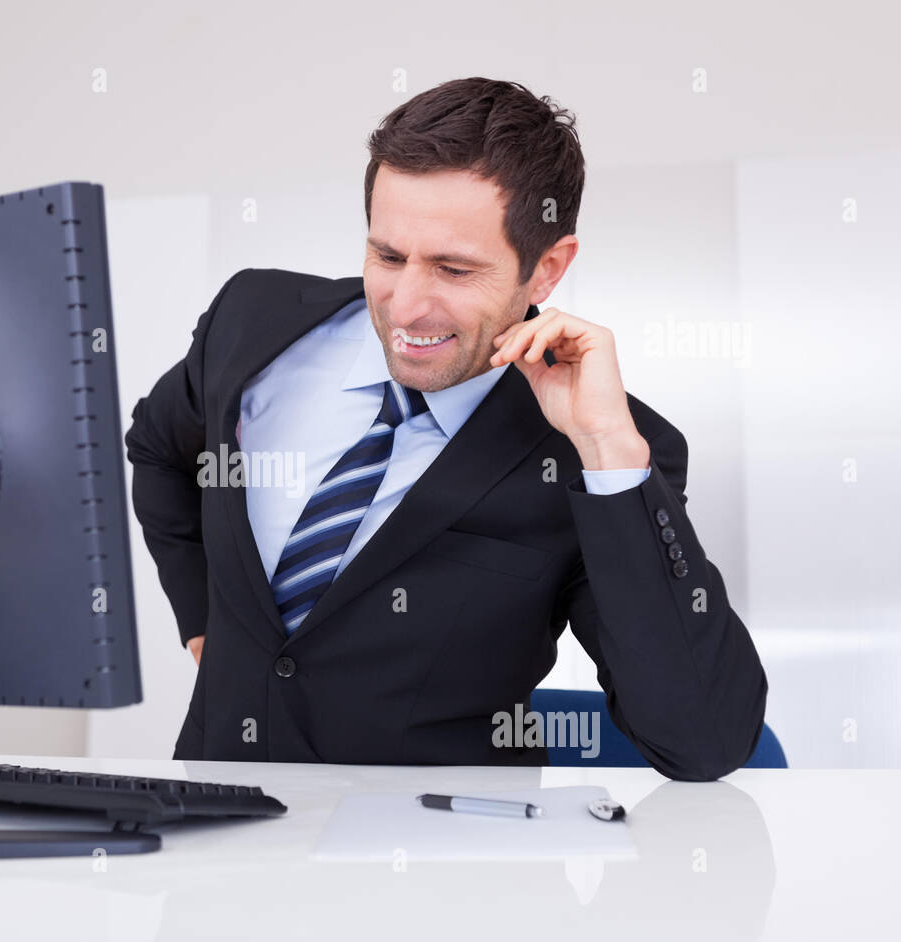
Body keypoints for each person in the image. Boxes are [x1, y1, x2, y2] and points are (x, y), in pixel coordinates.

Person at [124, 77, 767, 779]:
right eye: (388, 256)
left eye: (454, 269)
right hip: (218, 850)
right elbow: (159, 449)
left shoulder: (600, 449)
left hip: (446, 871)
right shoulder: (254, 322)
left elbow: (703, 742)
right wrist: (201, 620)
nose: (406, 307)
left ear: (546, 269)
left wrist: (609, 453)